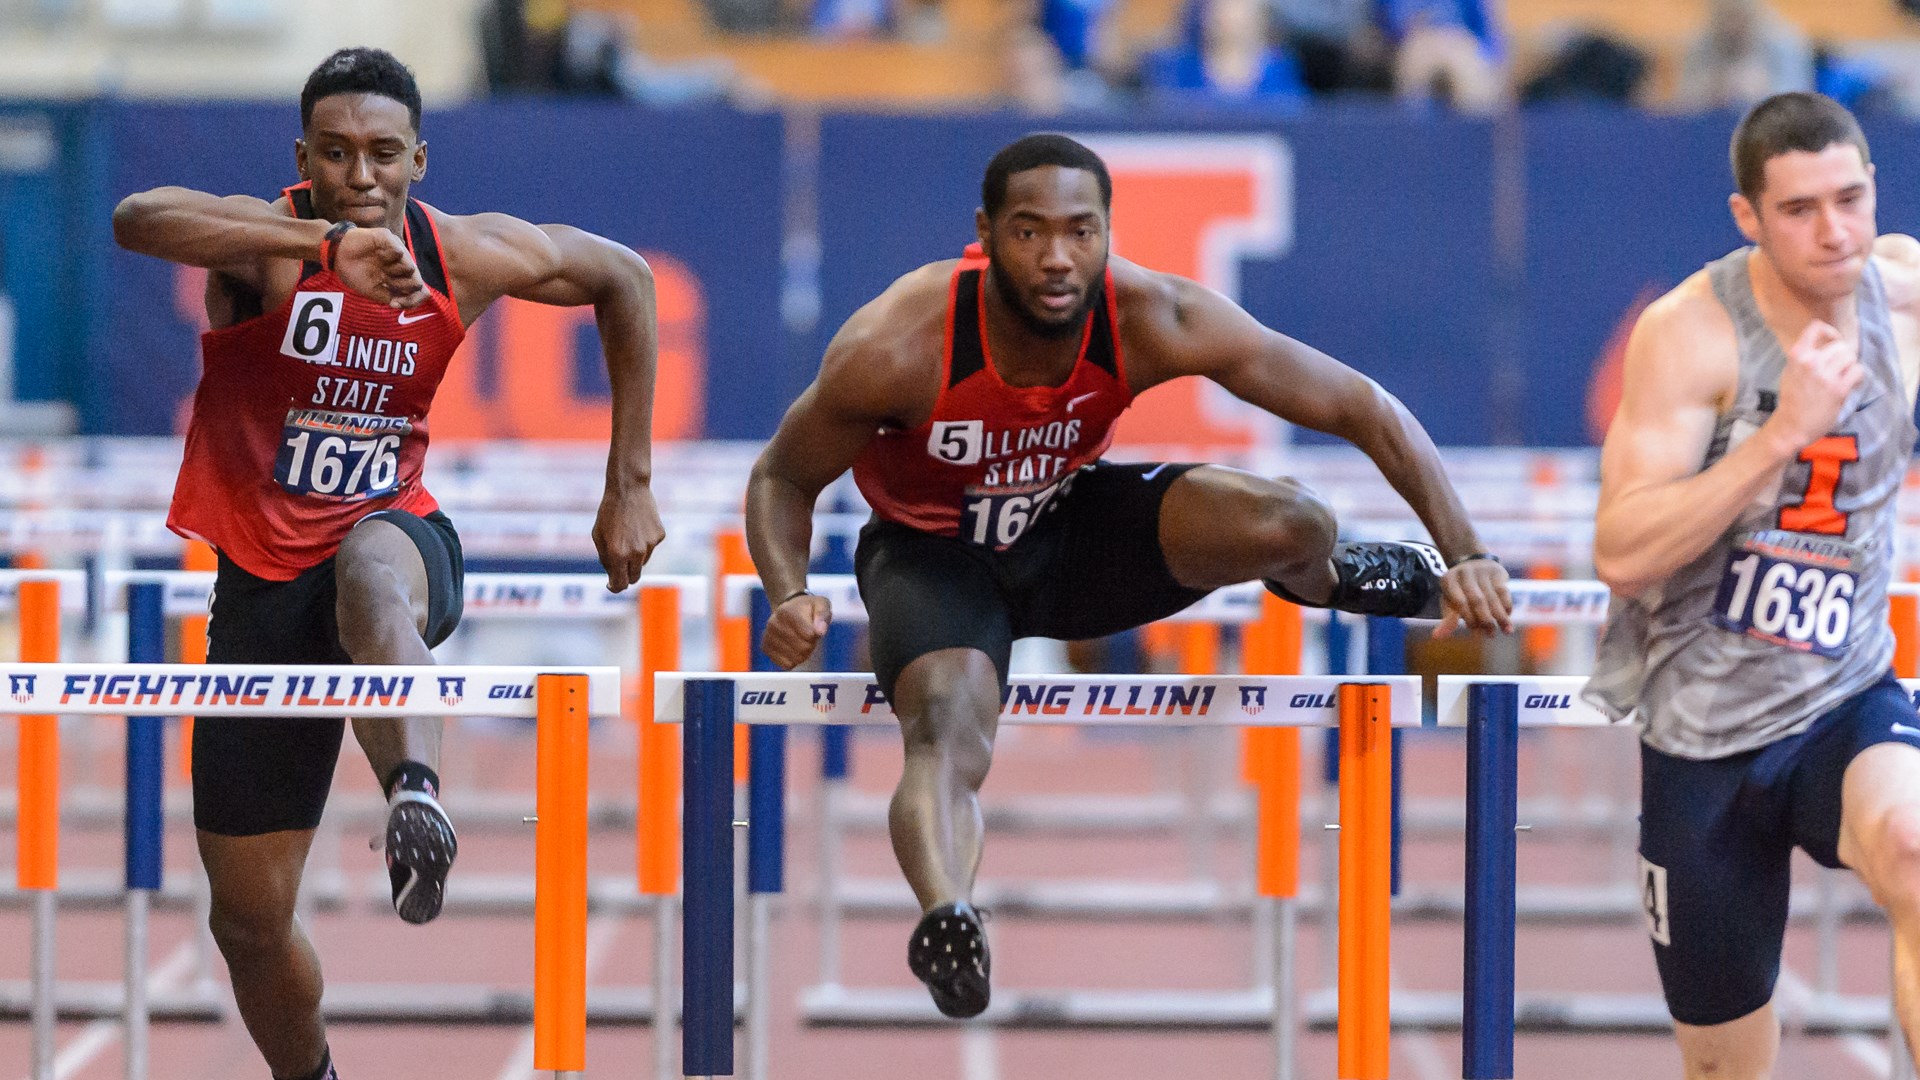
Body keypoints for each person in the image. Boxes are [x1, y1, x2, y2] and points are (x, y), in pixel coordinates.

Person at [745, 133, 1513, 1018]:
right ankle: (949, 915)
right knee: (949, 728)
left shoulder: (1150, 314)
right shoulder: (900, 343)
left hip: (1068, 528)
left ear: (1109, 231)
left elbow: (1362, 406)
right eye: (1031, 233)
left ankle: (1321, 574)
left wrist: (1466, 550)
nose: (1058, 258)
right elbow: (782, 476)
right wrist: (789, 588)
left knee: (1294, 519)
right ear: (985, 234)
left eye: (1082, 231)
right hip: (932, 553)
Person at [111, 47, 663, 1080]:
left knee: (370, 568)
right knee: (249, 922)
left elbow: (622, 279)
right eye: (334, 154)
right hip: (261, 592)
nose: (359, 177)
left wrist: (626, 482)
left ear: (418, 157)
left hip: (398, 537)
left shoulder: (464, 254)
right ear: (303, 158)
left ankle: (416, 792)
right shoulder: (262, 244)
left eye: (379, 155)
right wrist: (322, 248)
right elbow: (138, 218)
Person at [1586, 91, 1920, 1078]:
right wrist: (1781, 434)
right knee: (1728, 1066)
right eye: (1800, 210)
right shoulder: (1690, 333)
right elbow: (1623, 550)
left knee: (1912, 845)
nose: (1835, 232)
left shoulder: (1900, 297)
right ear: (1748, 218)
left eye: (1850, 199)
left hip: (1844, 699)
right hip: (1703, 742)